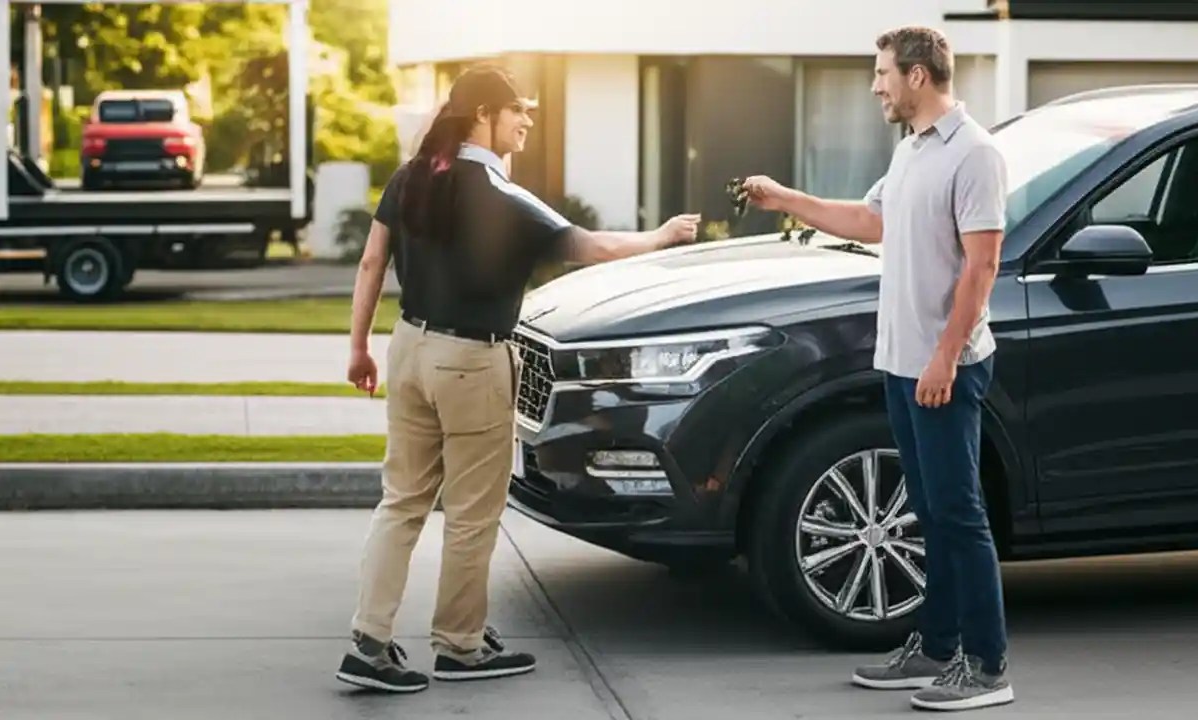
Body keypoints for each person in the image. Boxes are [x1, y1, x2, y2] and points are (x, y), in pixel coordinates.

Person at [336, 64, 700, 692]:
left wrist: (358, 348)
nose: (528, 120)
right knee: (474, 514)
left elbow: (372, 262)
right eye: (519, 110)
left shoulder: (411, 175)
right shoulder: (501, 194)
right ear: (484, 114)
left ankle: (369, 643)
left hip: (409, 349)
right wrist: (664, 235)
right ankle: (460, 645)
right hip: (472, 362)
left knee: (402, 501)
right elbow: (594, 247)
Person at [742, 25, 1013, 713]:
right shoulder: (912, 150)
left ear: (918, 76)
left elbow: (982, 267)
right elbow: (870, 223)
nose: (875, 85)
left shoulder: (975, 154)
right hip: (901, 365)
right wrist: (786, 199)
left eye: (883, 73)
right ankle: (935, 646)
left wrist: (945, 356)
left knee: (959, 514)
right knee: (929, 513)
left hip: (942, 366)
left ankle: (986, 667)